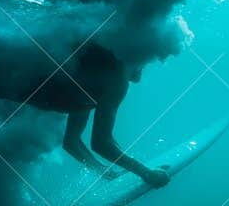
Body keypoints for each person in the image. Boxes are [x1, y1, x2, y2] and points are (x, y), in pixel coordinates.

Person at [39, 42, 169, 188]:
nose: (139, 78)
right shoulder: (118, 78)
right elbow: (101, 144)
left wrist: (107, 174)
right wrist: (146, 173)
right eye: (144, 65)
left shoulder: (92, 71)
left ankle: (109, 174)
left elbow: (71, 142)